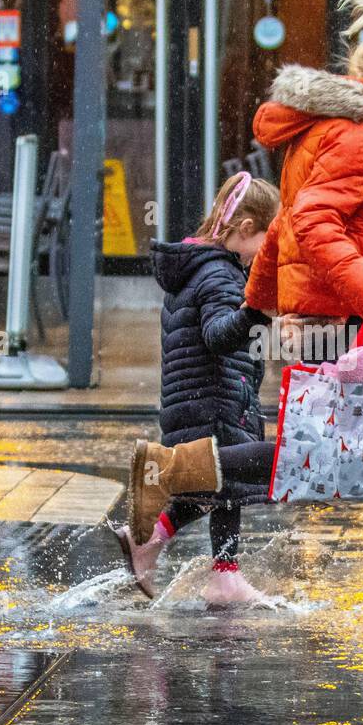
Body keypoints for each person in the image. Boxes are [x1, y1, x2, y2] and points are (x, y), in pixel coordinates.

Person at [126, 0, 363, 642]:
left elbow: (284, 228)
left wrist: (259, 305)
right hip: (352, 321)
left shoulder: (339, 132)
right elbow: (312, 224)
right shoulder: (355, 135)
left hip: (351, 316)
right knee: (332, 454)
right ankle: (170, 473)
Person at [115, 172, 280, 606]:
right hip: (211, 399)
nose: (267, 254)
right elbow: (218, 335)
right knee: (249, 469)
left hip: (202, 398)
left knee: (221, 486)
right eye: (266, 240)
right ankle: (163, 480)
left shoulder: (200, 266)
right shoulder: (219, 274)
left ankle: (215, 571)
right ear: (245, 229)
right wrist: (255, 311)